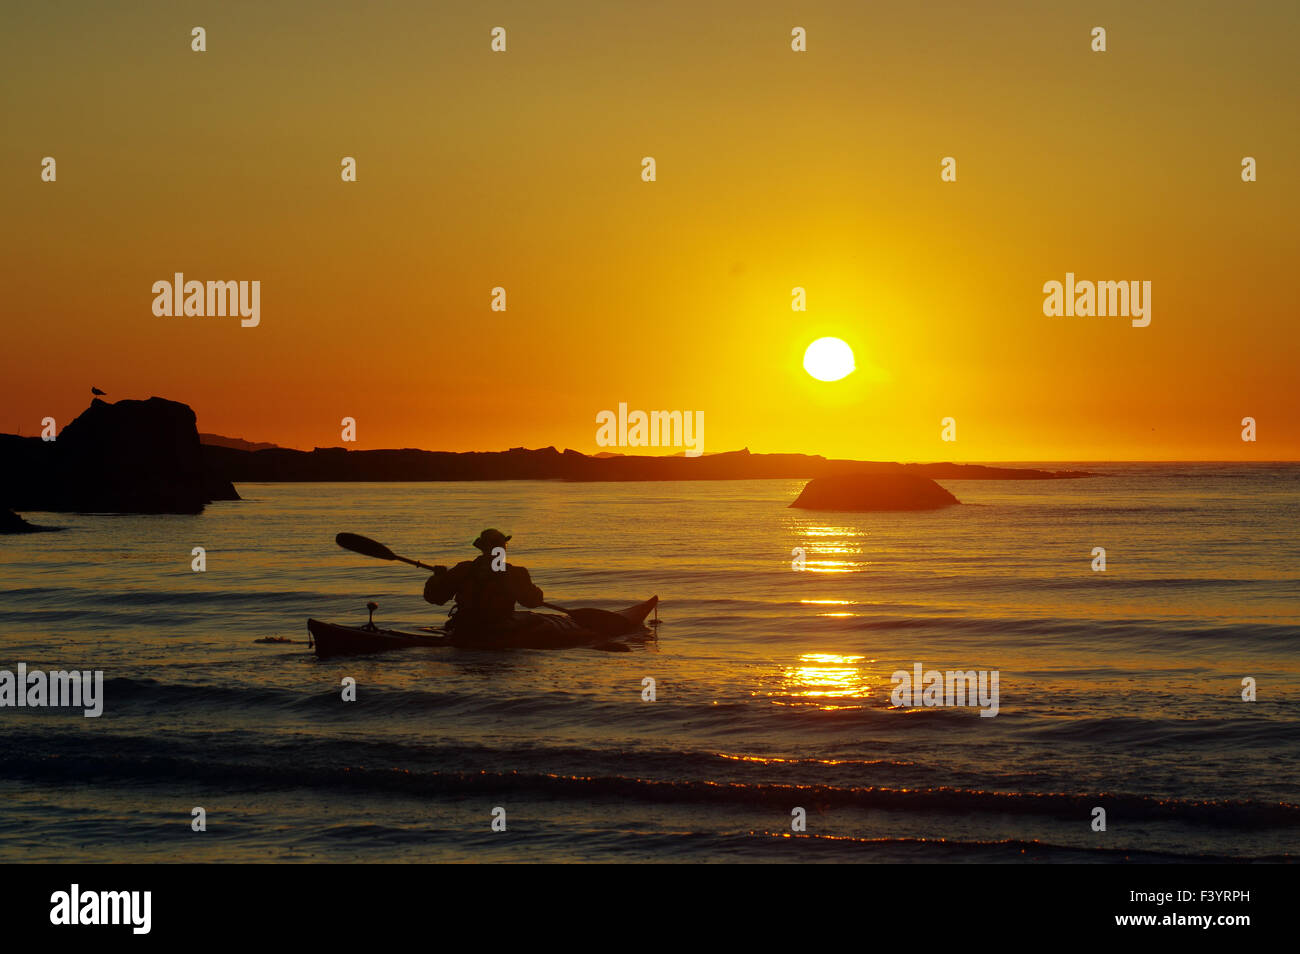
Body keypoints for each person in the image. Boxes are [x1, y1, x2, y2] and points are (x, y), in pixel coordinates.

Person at [423, 529, 544, 636]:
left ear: (482, 549)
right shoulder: (516, 573)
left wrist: (438, 577)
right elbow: (532, 601)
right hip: (498, 629)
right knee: (537, 621)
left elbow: (435, 598)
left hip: (465, 626)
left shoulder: (463, 569)